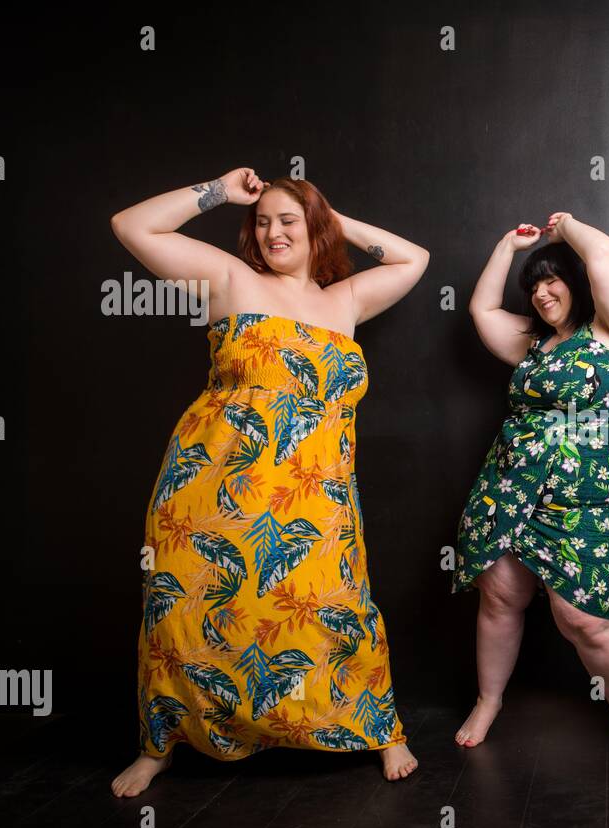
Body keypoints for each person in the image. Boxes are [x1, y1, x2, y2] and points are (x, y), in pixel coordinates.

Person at [109, 169, 426, 796]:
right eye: (263, 222)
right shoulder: (232, 280)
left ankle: (381, 730)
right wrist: (220, 192)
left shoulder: (348, 301)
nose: (273, 231)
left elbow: (415, 258)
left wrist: (328, 215)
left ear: (315, 229)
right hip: (213, 489)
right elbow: (131, 225)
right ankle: (160, 743)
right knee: (188, 612)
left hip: (317, 495)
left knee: (338, 611)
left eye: (289, 220)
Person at [451, 213, 609, 759]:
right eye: (533, 285)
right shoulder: (531, 344)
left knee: (583, 618)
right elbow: (481, 309)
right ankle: (489, 700)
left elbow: (606, 257)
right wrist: (505, 245)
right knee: (500, 597)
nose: (540, 294)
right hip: (508, 488)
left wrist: (565, 229)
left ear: (578, 282)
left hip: (586, 499)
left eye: (551, 280)